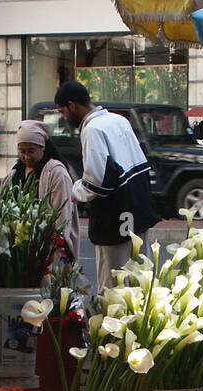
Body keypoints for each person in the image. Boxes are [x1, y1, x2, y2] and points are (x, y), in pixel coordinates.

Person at [54, 80, 155, 292]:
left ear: (72, 105)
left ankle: (115, 324)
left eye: (63, 111)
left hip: (115, 212)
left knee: (113, 281)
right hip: (139, 204)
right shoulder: (118, 120)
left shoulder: (92, 129)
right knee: (141, 274)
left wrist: (76, 192)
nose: (64, 117)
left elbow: (95, 180)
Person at [7, 119, 80, 263]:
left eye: (31, 151)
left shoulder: (56, 172)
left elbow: (61, 214)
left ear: (43, 148)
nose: (26, 157)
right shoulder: (14, 173)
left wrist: (54, 243)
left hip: (47, 247)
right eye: (22, 151)